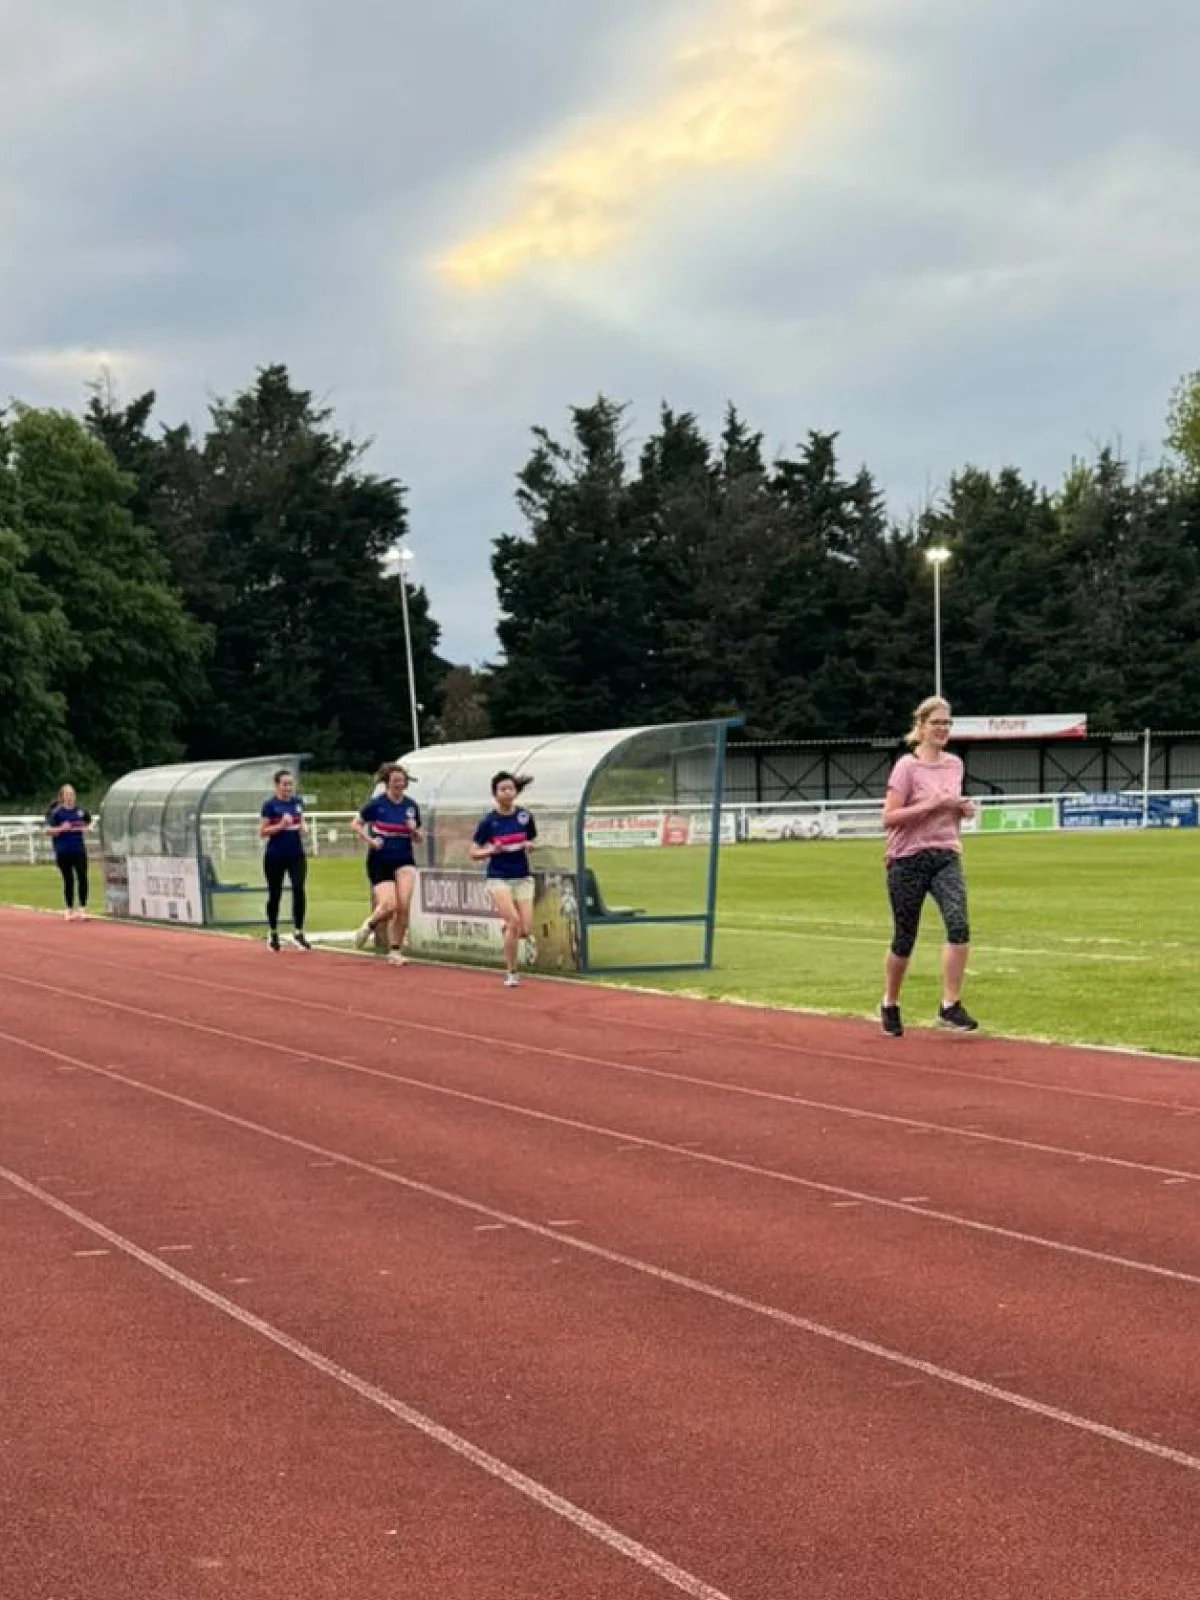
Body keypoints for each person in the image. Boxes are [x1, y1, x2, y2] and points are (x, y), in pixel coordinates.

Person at [880, 696, 978, 1037]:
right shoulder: (907, 766)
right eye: (936, 722)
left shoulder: (955, 765)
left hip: (945, 854)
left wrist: (962, 808)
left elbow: (950, 808)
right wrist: (931, 805)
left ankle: (949, 1005)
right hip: (908, 858)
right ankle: (890, 1002)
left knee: (959, 924)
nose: (942, 729)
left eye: (947, 723)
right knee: (905, 938)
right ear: (920, 726)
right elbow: (889, 818)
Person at [471, 772, 538, 987]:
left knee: (524, 929)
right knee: (513, 921)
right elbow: (473, 853)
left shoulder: (525, 817)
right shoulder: (489, 822)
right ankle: (511, 972)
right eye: (503, 789)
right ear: (495, 794)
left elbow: (532, 840)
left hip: (522, 876)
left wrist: (530, 846)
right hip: (498, 877)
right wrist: (491, 850)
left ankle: (510, 933)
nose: (508, 793)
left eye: (511, 789)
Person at [352, 764, 421, 964]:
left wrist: (414, 831)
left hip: (404, 859)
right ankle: (370, 924)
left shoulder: (410, 806)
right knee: (389, 905)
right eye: (395, 781)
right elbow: (356, 823)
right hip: (380, 860)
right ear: (387, 783)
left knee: (404, 905)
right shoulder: (377, 804)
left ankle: (395, 950)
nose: (399, 784)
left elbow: (418, 839)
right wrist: (370, 840)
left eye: (402, 781)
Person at [259, 769, 311, 952]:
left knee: (299, 889)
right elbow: (262, 832)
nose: (288, 788)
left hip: (296, 853)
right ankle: (273, 931)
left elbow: (302, 822)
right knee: (275, 894)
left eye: (290, 784)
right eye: (285, 784)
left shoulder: (297, 803)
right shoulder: (270, 805)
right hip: (275, 855)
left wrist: (304, 828)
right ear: (277, 785)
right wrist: (281, 825)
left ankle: (298, 932)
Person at [45, 784, 92, 920]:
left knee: (82, 877)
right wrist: (61, 828)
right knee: (68, 879)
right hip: (63, 850)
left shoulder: (81, 811)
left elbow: (88, 823)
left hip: (78, 849)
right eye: (68, 794)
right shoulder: (57, 813)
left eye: (72, 794)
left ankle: (82, 908)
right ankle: (69, 909)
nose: (70, 797)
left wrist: (86, 828)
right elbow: (48, 831)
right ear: (62, 796)